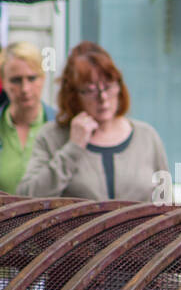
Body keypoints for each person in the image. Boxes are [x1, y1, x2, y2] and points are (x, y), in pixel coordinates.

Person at [16, 42, 167, 201]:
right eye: (90, 90)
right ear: (73, 96)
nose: (103, 98)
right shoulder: (52, 136)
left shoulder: (146, 136)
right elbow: (26, 196)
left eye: (108, 87)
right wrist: (73, 148)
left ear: (120, 87)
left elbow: (166, 205)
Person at [0, 42, 56, 193]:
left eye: (31, 78)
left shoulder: (61, 127)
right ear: (3, 82)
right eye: (16, 80)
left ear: (43, 78)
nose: (25, 89)